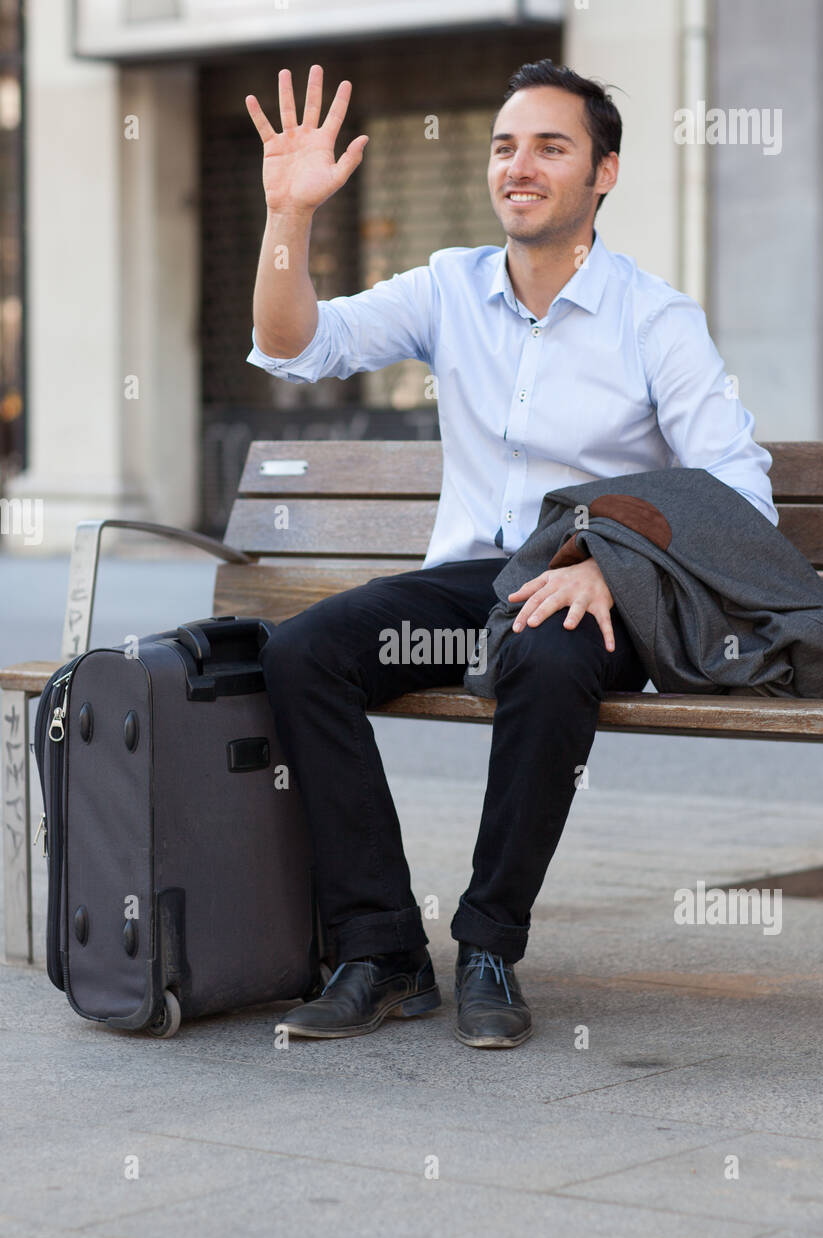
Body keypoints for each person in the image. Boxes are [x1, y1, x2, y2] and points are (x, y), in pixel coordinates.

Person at [244, 59, 776, 1049]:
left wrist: (605, 565)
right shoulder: (448, 286)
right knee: (301, 650)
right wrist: (290, 216)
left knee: (545, 648)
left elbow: (734, 488)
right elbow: (296, 343)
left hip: (599, 595)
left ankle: (489, 945)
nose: (516, 165)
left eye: (549, 146)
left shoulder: (653, 319)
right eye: (502, 146)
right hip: (470, 585)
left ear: (602, 173)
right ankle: (383, 951)